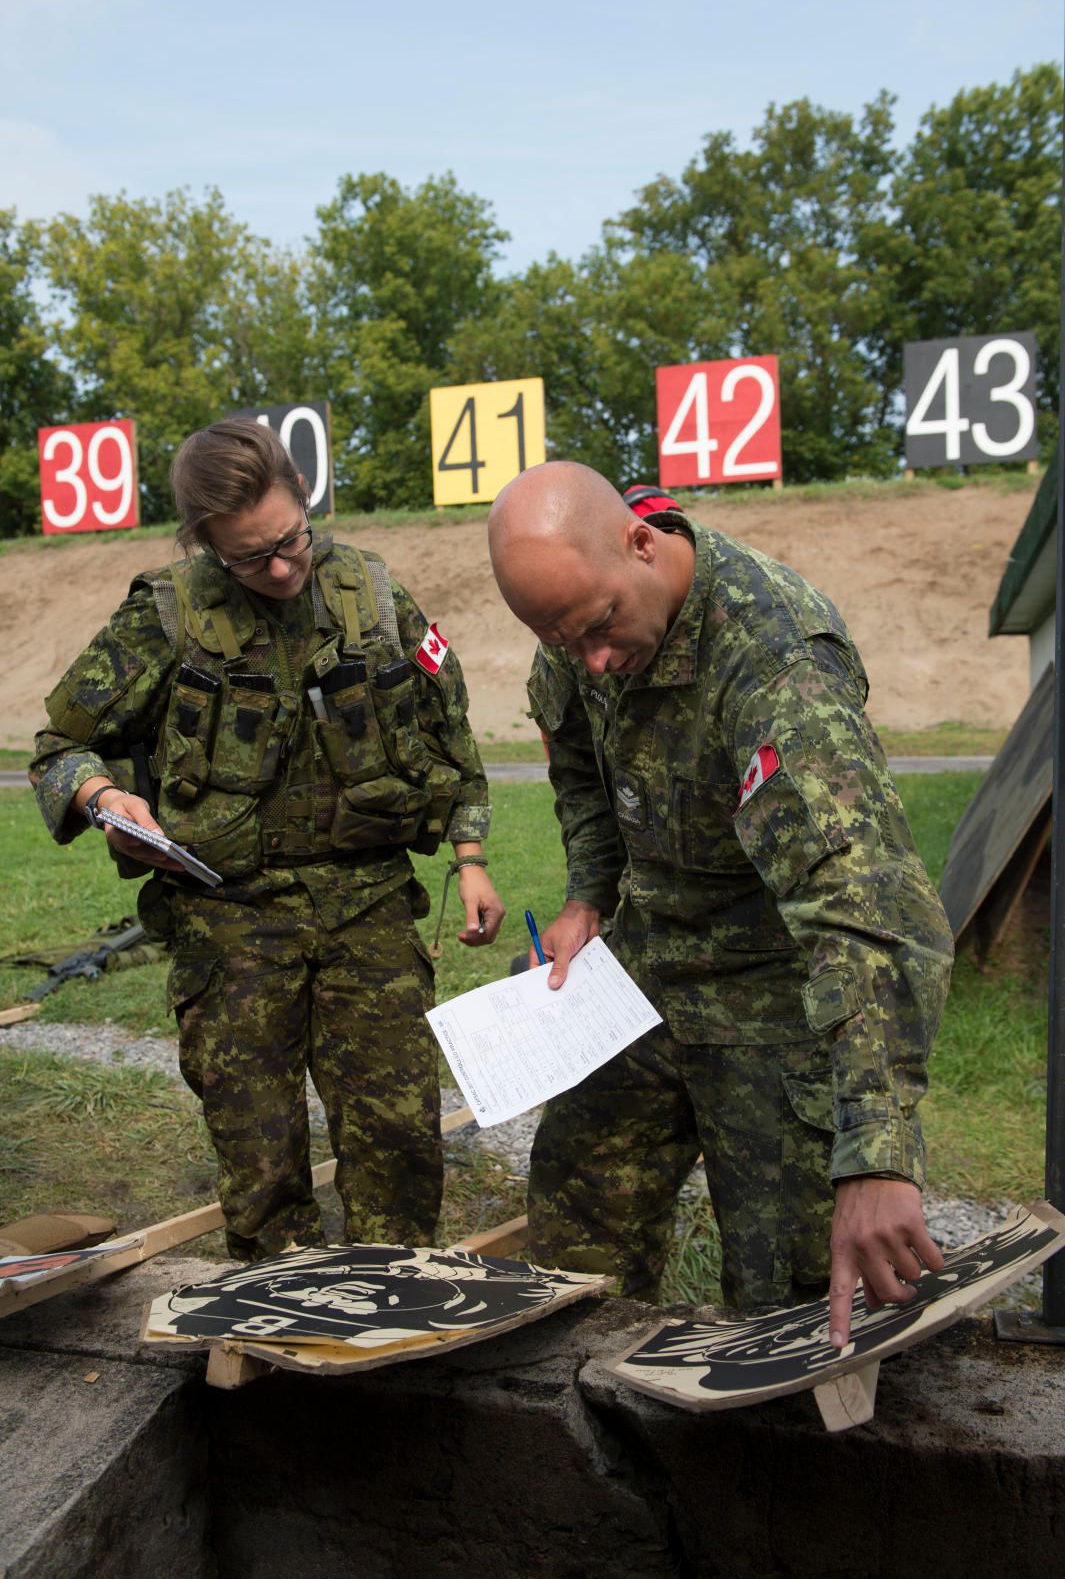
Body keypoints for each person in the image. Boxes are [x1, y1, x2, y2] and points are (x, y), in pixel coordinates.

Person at [487, 461, 953, 1348]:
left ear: (640, 542)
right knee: (573, 1227)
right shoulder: (575, 621)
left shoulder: (776, 663)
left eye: (597, 628)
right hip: (647, 969)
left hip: (770, 991)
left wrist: (879, 1151)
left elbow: (866, 908)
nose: (590, 659)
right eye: (559, 640)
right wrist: (590, 892)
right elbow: (578, 760)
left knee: (792, 1304)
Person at [31, 418, 504, 1261]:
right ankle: (278, 1326)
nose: (281, 568)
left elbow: (455, 748)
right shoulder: (165, 619)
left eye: (291, 540)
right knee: (260, 1154)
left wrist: (469, 859)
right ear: (207, 546)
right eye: (251, 558)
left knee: (397, 1139)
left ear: (304, 498)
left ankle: (392, 1307)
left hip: (368, 910)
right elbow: (58, 749)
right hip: (232, 921)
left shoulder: (377, 600)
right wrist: (101, 796)